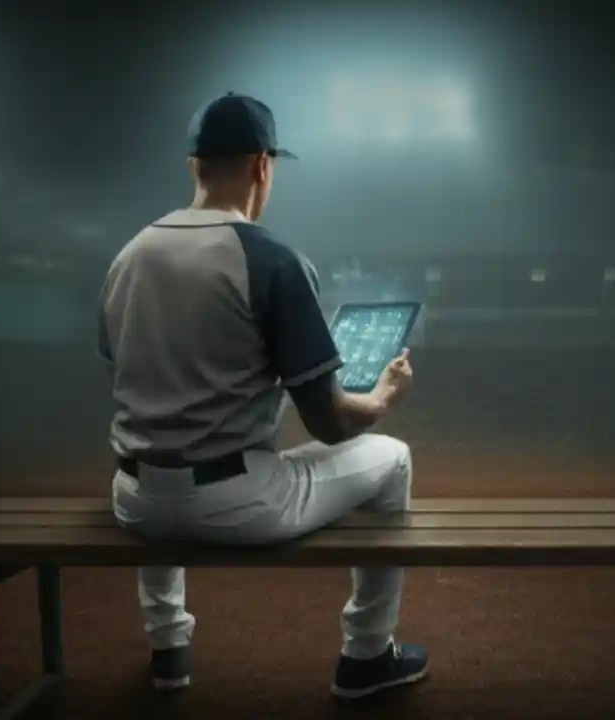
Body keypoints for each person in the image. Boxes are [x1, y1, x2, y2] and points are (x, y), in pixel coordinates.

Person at [96, 91, 427, 700]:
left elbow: (132, 366)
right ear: (261, 166)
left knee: (161, 435)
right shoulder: (271, 258)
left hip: (134, 499)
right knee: (394, 456)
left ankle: (169, 648)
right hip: (235, 503)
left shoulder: (127, 256)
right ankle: (367, 655)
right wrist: (380, 397)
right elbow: (327, 423)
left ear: (193, 166)